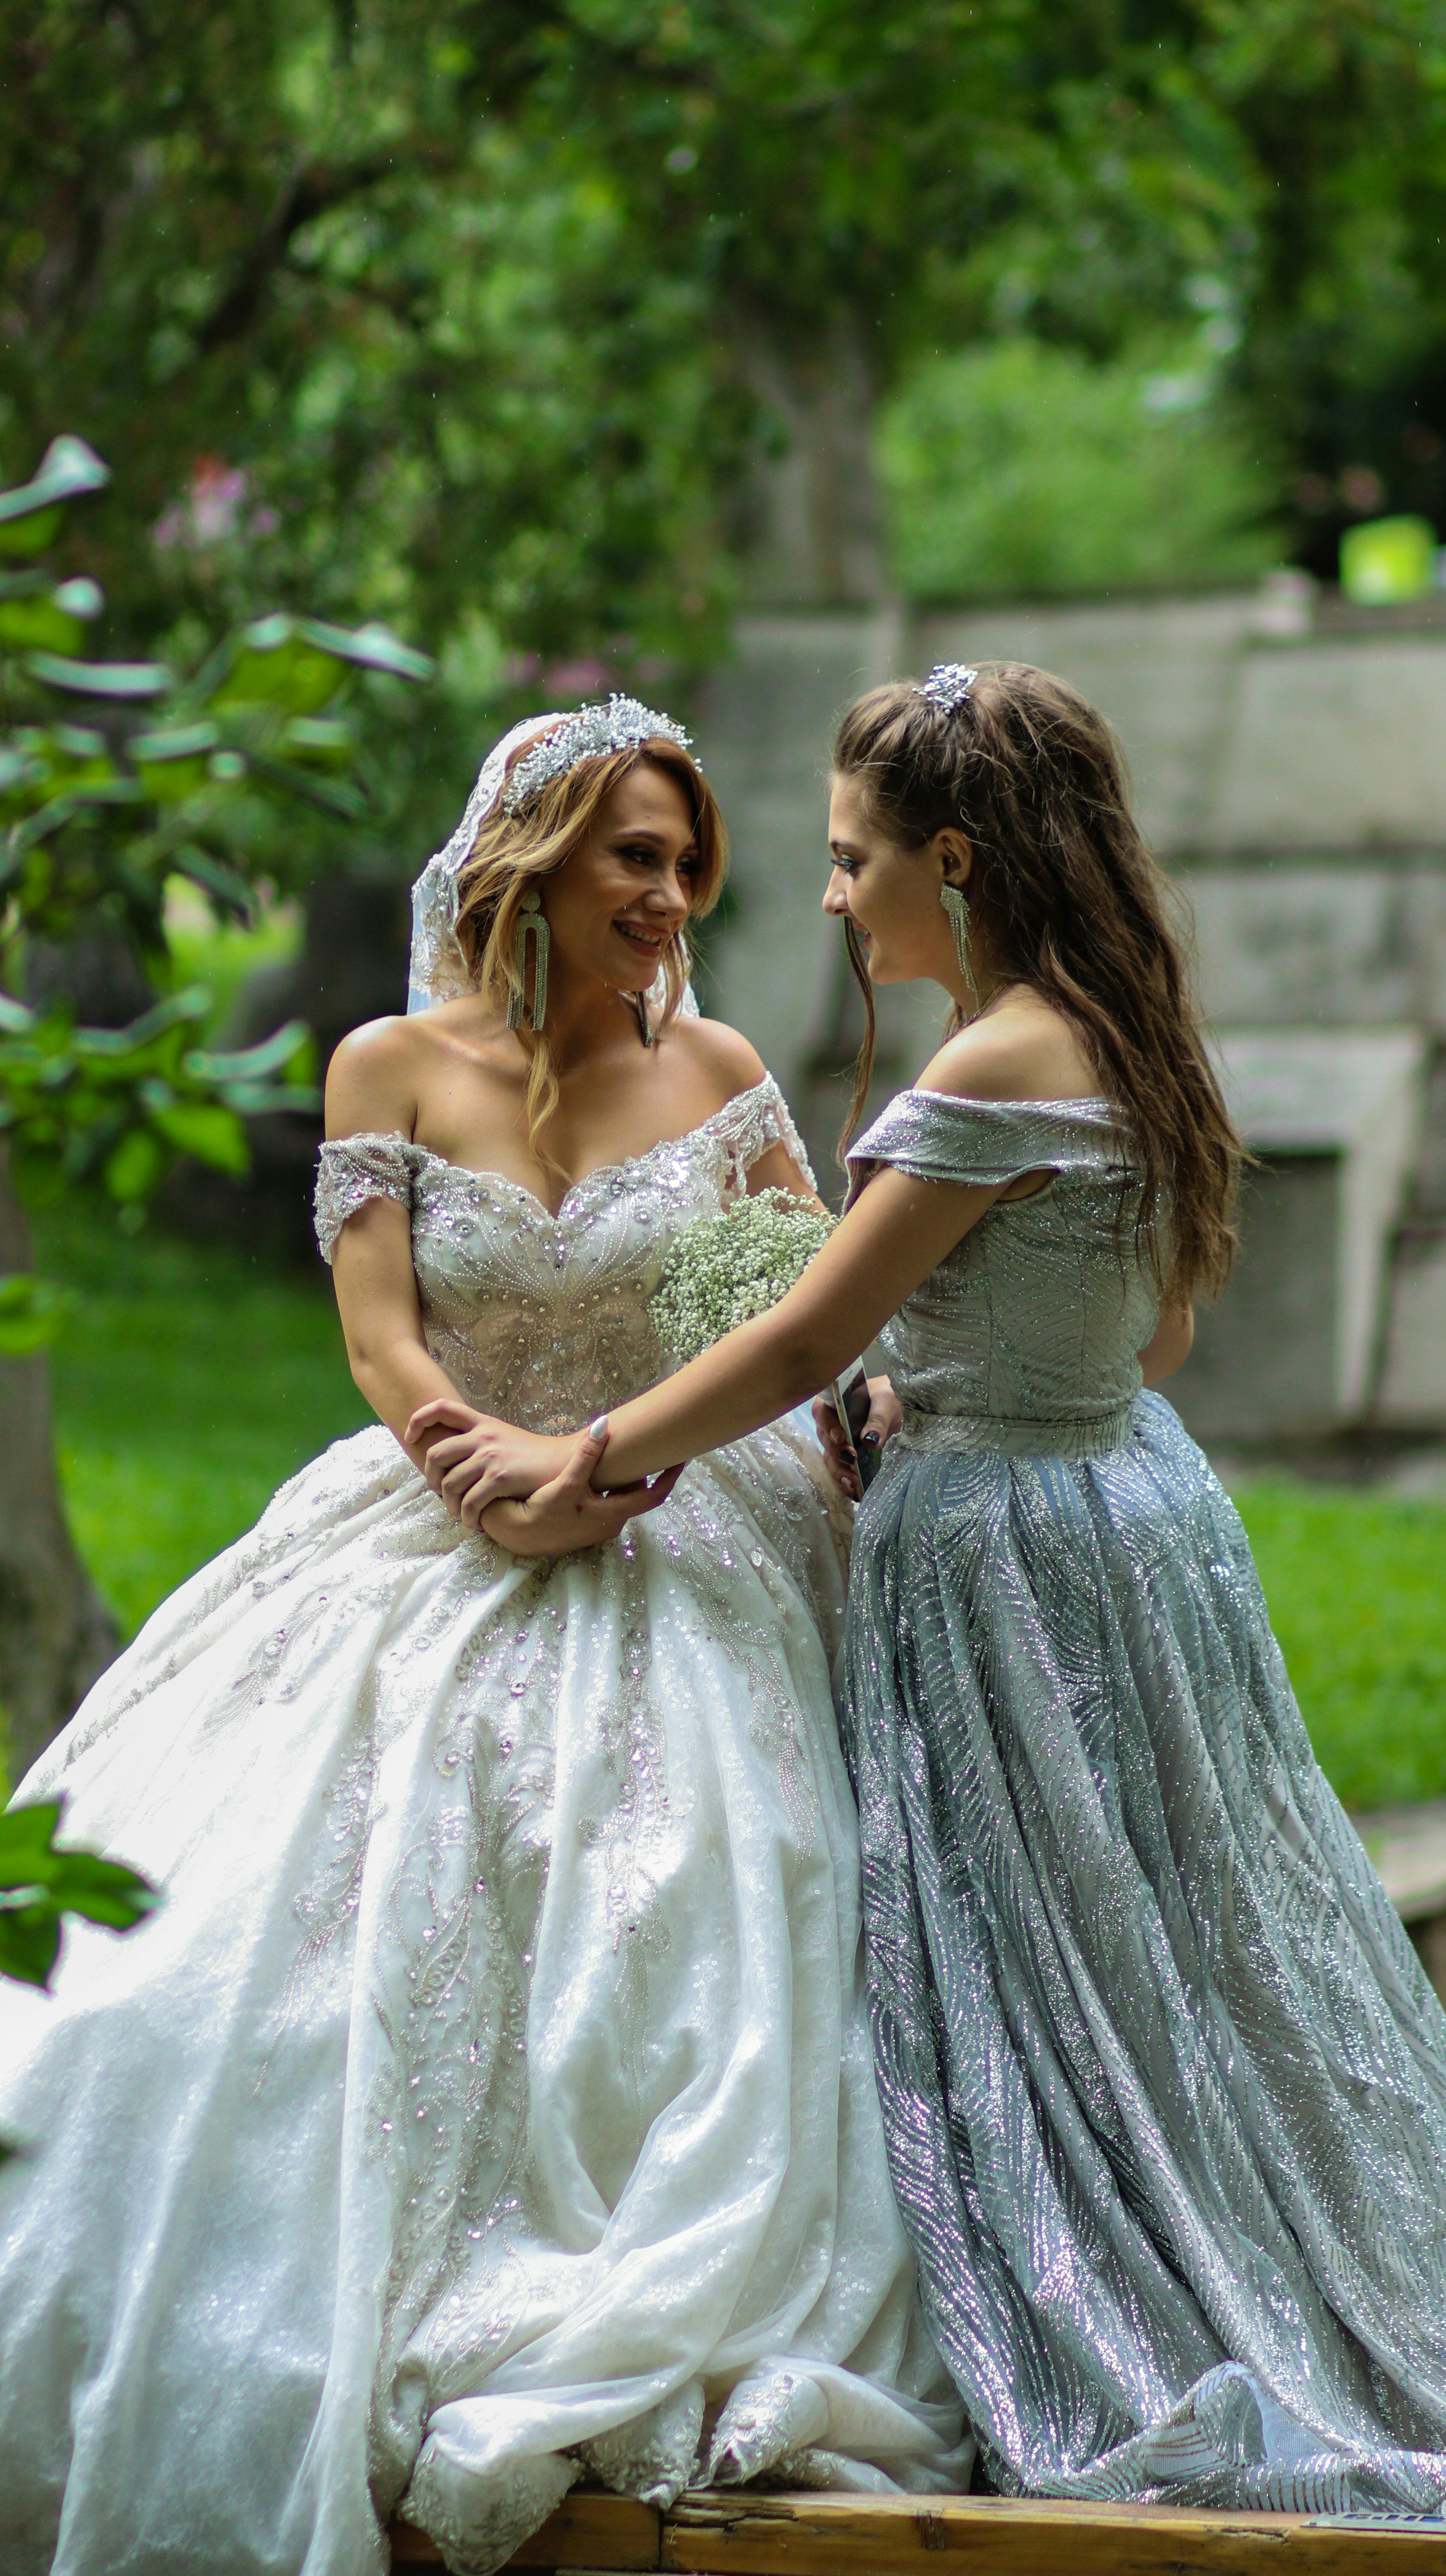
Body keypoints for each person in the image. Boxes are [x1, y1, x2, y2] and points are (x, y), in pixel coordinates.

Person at [425, 664, 1446, 2517]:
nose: (825, 898)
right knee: (1166, 1935)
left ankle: (1134, 2290)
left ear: (951, 860)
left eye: (846, 861)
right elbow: (1153, 1329)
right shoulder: (1119, 1030)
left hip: (1005, 1549)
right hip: (1139, 1508)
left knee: (1046, 1955)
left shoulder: (984, 1065)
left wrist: (580, 1458)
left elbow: (803, 1332)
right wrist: (955, 1383)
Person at [0, 696, 969, 2576]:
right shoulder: (387, 1065)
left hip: (687, 1531)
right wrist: (479, 1476)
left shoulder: (726, 1078)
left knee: (701, 1873)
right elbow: (378, 1334)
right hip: (440, 1511)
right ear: (531, 855)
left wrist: (786, 1436)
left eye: (688, 861)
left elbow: (805, 1315)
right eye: (635, 853)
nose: (670, 893)